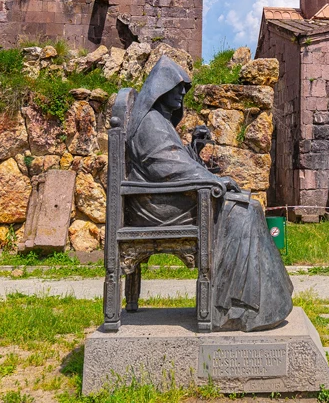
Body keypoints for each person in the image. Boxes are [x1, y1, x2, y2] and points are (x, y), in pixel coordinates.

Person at [124, 56, 293, 332]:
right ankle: (232, 308)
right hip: (160, 205)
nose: (181, 93)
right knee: (243, 213)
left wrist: (195, 150)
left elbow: (176, 163)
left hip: (170, 197)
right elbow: (170, 169)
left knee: (250, 207)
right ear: (160, 90)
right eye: (176, 87)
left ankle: (250, 302)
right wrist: (215, 179)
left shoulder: (159, 122)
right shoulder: (151, 124)